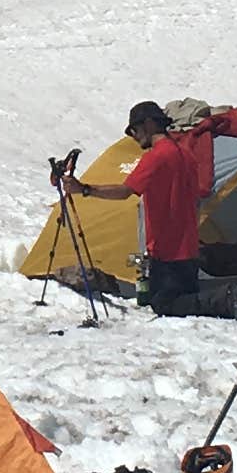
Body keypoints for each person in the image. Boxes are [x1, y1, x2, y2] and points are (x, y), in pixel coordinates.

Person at [56, 99, 216, 316]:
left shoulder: (157, 156)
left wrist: (84, 189)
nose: (134, 136)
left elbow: (125, 191)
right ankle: (224, 299)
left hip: (166, 252)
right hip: (189, 250)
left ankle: (230, 297)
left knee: (165, 307)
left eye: (135, 129)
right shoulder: (185, 154)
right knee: (185, 302)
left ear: (149, 124)